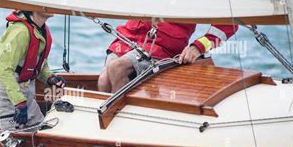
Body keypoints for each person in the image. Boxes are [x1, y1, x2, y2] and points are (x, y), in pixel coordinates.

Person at [0, 10, 66, 130]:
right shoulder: (20, 32)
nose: (52, 6)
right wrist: (19, 102)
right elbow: (5, 71)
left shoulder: (41, 30)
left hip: (22, 92)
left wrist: (50, 77)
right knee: (10, 142)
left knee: (42, 133)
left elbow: (37, 63)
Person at [98, 21, 238, 93]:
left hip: (161, 45)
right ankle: (106, 129)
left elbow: (229, 22)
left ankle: (119, 126)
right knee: (103, 80)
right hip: (129, 35)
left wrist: (198, 47)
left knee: (117, 68)